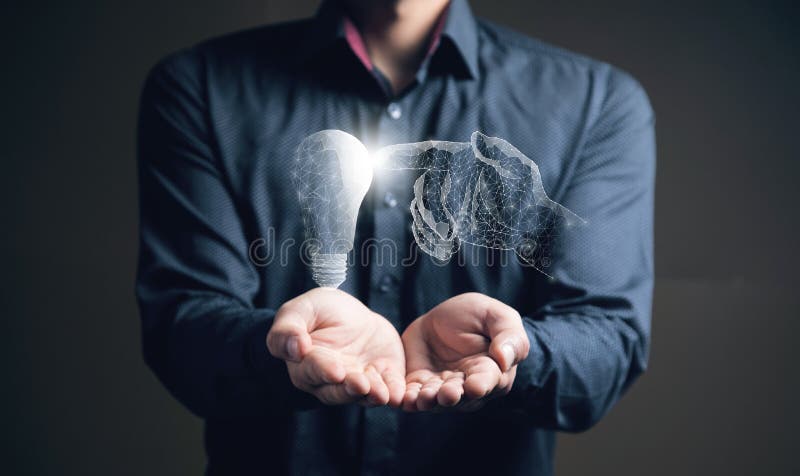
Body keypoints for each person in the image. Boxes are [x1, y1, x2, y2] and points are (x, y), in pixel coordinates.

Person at [135, 0, 655, 474]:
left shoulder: (594, 104)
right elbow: (183, 329)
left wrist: (511, 349)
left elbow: (607, 342)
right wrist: (287, 351)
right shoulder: (202, 90)